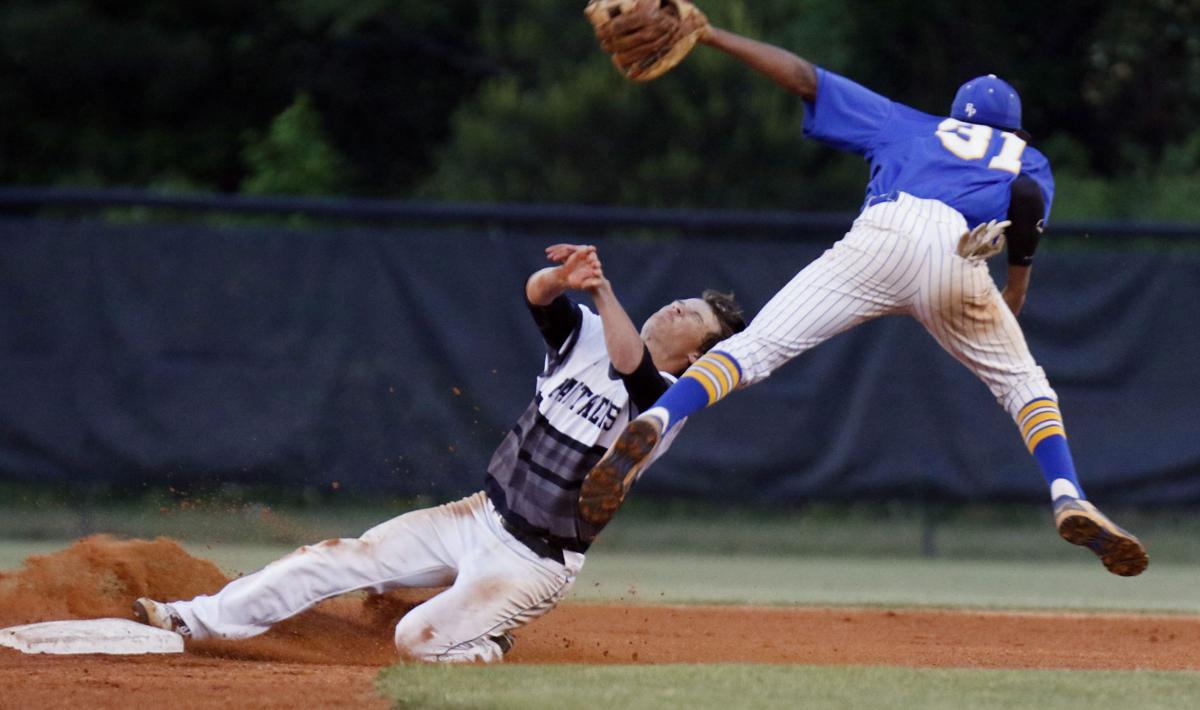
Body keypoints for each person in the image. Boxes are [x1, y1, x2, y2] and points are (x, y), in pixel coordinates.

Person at [578, 23, 1149, 577]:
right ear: (1015, 131)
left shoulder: (914, 127)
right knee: (1024, 385)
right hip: (956, 253)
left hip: (887, 228)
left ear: (955, 116)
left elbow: (806, 79)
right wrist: (1016, 289)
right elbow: (1024, 201)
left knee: (756, 349)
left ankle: (656, 417)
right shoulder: (1030, 161)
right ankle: (1067, 493)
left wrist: (712, 35)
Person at [132, 243, 745, 662]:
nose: (674, 306)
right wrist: (565, 278)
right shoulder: (586, 334)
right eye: (681, 298)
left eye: (690, 313)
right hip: (478, 515)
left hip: (535, 560)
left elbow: (628, 366)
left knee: (414, 640)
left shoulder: (670, 400)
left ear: (698, 353)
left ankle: (486, 643)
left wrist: (606, 289)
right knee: (338, 558)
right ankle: (195, 619)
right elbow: (536, 296)